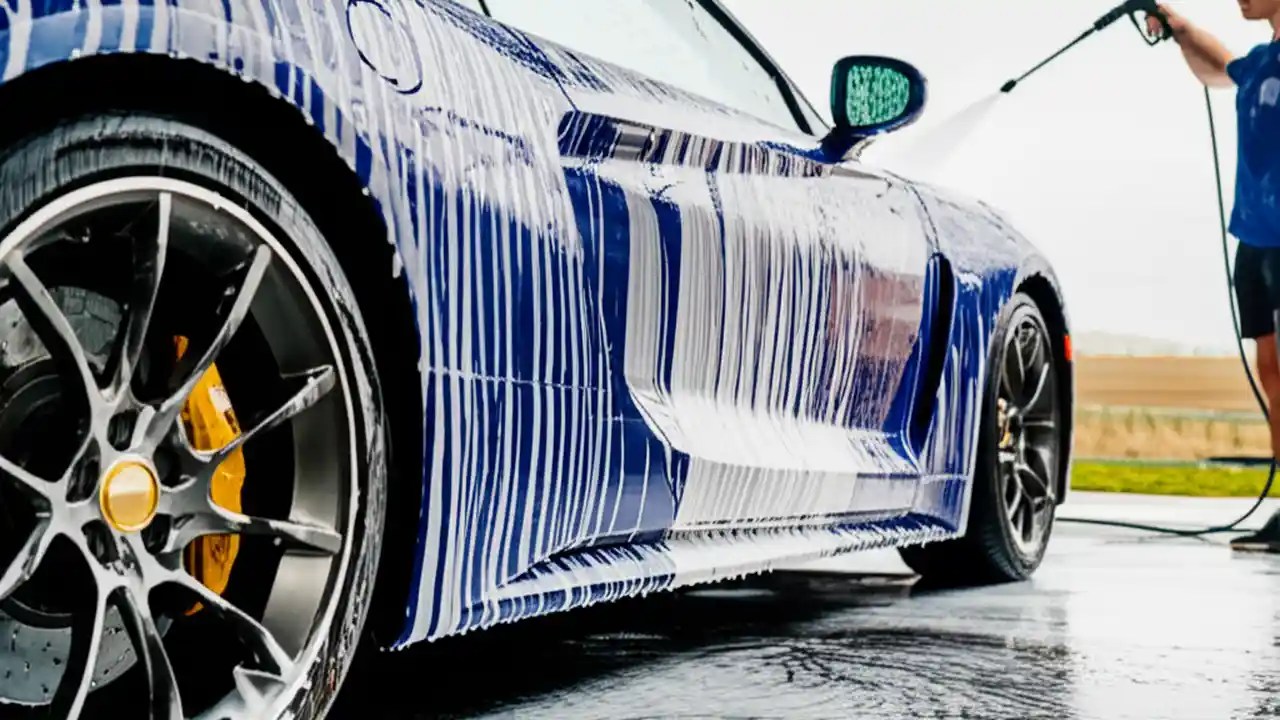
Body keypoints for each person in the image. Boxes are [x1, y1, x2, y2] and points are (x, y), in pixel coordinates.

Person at [1151, 1, 1280, 552]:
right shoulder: (1261, 63)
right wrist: (1176, 28)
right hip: (1256, 238)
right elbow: (1218, 67)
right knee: (1273, 370)